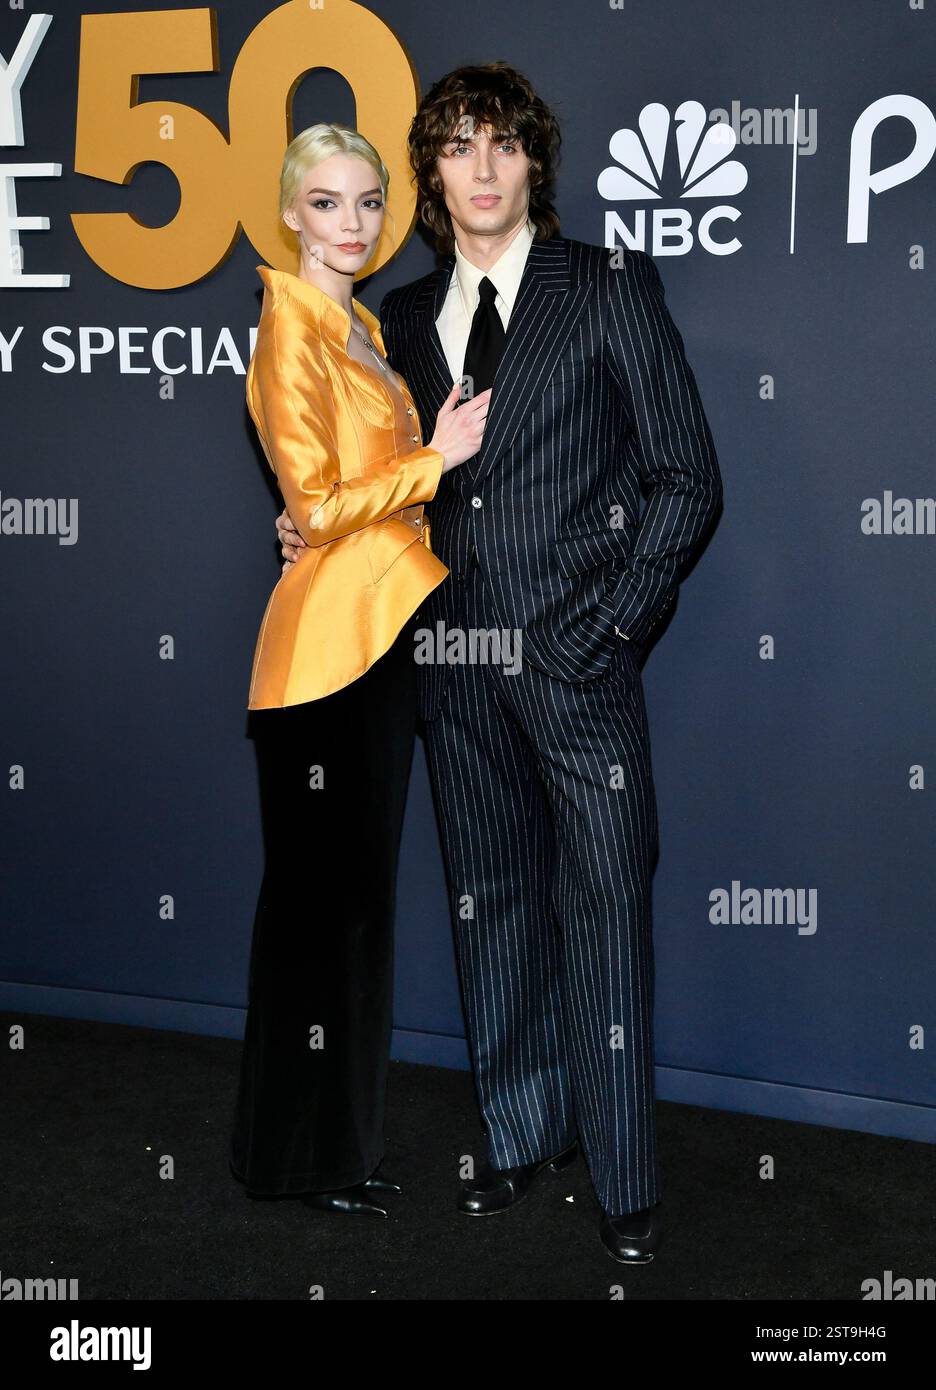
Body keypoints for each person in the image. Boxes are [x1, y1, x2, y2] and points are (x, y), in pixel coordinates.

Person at [277, 63, 723, 1261]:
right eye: (458, 147)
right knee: (495, 914)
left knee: (604, 914)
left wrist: (618, 623)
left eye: (503, 146)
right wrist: (309, 520)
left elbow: (688, 476)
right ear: (430, 172)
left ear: (535, 165)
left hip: (581, 666)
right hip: (450, 666)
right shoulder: (403, 322)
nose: (480, 169)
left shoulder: (609, 286)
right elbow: (375, 486)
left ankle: (627, 1179)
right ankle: (524, 1138)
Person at [228, 123, 491, 1218]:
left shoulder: (359, 325)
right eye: (329, 203)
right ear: (290, 211)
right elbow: (316, 508)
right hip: (326, 666)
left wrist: (422, 449)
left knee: (353, 916)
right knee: (316, 918)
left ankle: (334, 1148)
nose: (353, 223)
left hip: (375, 643)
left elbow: (336, 505)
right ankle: (297, 1159)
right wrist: (440, 457)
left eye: (370, 203)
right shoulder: (291, 329)